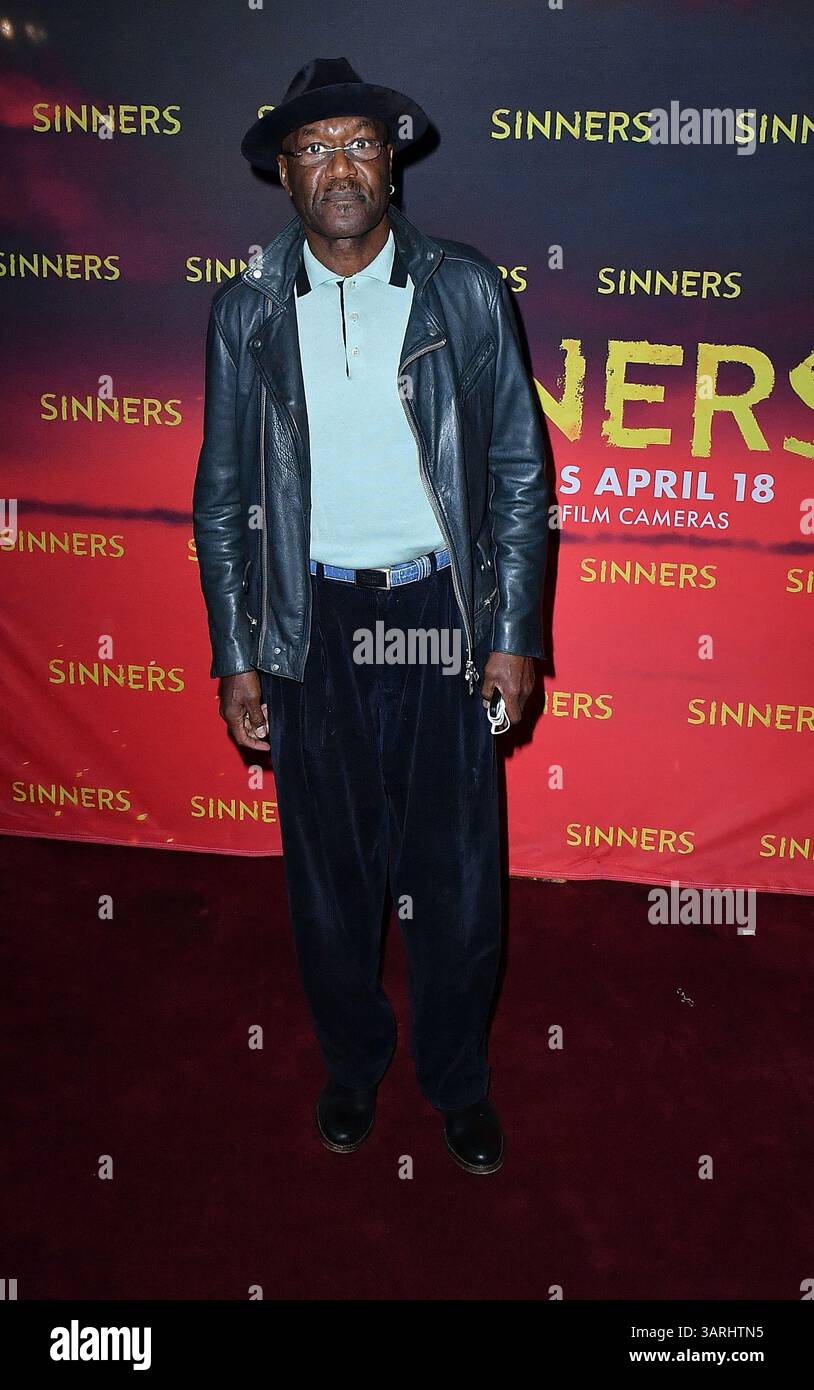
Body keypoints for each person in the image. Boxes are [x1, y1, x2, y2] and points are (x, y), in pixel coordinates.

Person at [192, 58, 548, 1173]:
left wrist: (510, 633)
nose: (338, 167)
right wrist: (238, 650)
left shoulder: (465, 290)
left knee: (453, 873)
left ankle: (456, 1080)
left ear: (390, 160)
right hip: (309, 625)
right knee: (328, 876)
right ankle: (352, 1065)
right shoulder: (247, 308)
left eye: (358, 143)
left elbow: (517, 471)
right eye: (313, 148)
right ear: (282, 174)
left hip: (438, 609)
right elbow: (222, 493)